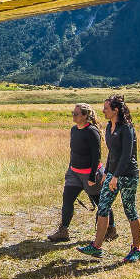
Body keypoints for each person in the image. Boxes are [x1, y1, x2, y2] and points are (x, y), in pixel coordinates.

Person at [77, 94, 140, 263]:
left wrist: (117, 176)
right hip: (112, 174)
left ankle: (137, 249)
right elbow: (113, 153)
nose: (103, 110)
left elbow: (126, 155)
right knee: (103, 207)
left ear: (115, 110)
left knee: (130, 210)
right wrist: (107, 172)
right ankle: (97, 246)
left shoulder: (126, 128)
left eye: (106, 108)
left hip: (128, 175)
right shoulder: (108, 127)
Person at [47, 103, 105, 242]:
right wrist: (70, 169)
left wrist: (92, 176)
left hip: (89, 174)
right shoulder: (74, 130)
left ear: (85, 116)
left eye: (76, 113)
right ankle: (63, 231)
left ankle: (110, 229)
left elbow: (96, 155)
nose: (73, 115)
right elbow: (73, 152)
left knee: (101, 203)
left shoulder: (92, 131)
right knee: (67, 200)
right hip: (74, 172)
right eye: (73, 112)